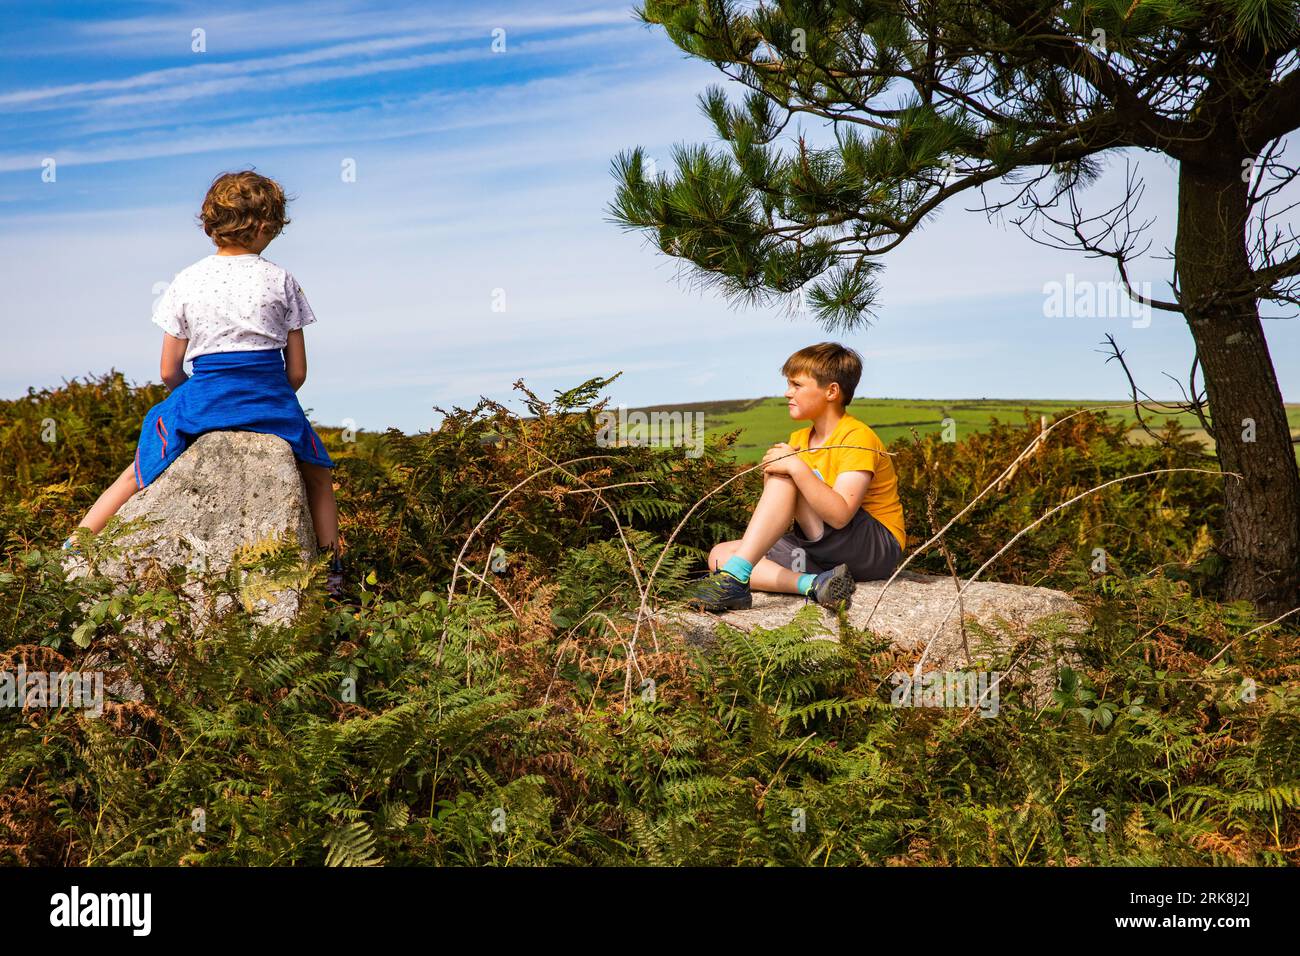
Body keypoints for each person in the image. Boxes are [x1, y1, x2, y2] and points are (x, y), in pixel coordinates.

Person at [62, 170, 346, 597]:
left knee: (137, 472)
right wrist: (267, 399)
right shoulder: (282, 279)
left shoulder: (186, 280)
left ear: (214, 223)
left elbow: (168, 371)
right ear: (265, 226)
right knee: (319, 476)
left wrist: (196, 397)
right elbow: (298, 372)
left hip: (204, 397)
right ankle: (334, 572)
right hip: (269, 397)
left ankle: (70, 551)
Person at [686, 342, 906, 613]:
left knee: (787, 471)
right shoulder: (800, 439)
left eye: (797, 385)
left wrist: (795, 467)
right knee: (721, 555)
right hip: (821, 545)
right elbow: (783, 506)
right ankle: (814, 584)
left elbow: (840, 515)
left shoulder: (855, 436)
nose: (787, 393)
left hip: (874, 548)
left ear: (832, 391)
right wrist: (781, 470)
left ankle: (734, 578)